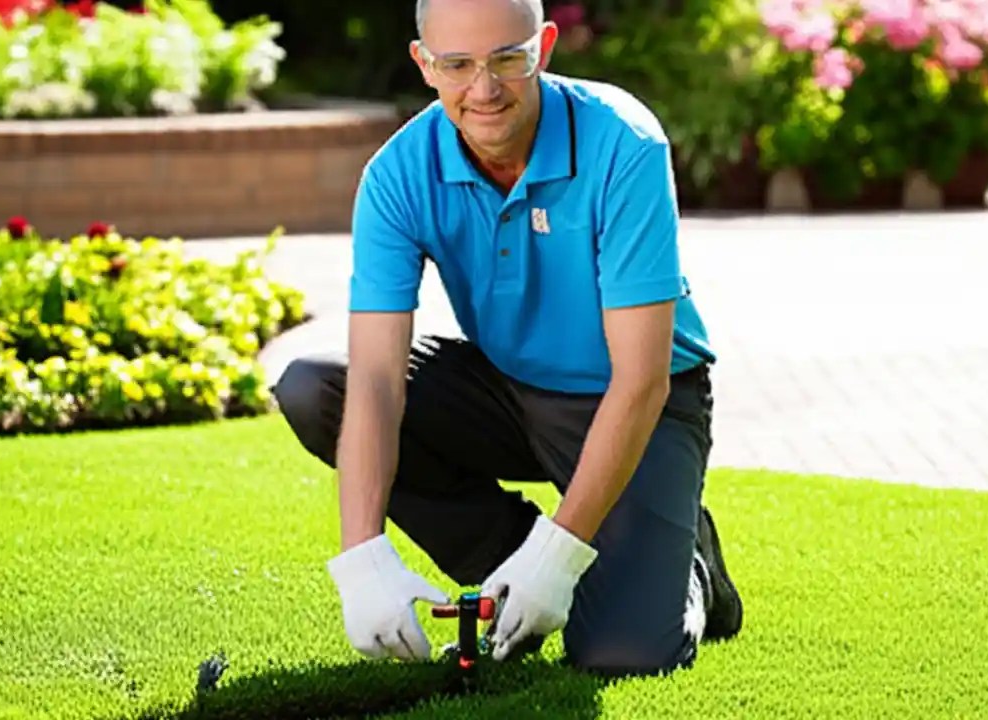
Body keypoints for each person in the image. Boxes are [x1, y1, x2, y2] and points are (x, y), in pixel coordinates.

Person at [271, 0, 742, 677]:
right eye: (457, 65)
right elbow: (375, 379)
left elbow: (642, 379)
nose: (483, 89)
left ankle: (691, 567)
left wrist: (560, 556)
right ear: (423, 64)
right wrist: (361, 560)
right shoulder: (397, 174)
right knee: (317, 389)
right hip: (507, 390)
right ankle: (521, 558)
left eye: (507, 60)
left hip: (639, 403)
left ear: (544, 47)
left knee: (621, 652)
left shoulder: (623, 144)